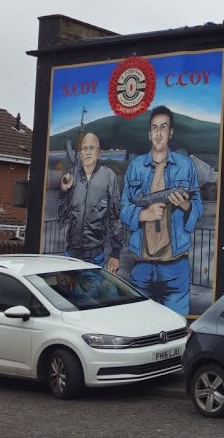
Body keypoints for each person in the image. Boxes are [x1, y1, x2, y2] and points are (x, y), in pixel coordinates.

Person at [119, 106, 202, 316]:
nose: (158, 133)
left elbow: (197, 209)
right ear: (149, 134)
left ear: (171, 132)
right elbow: (123, 208)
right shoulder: (135, 167)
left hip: (176, 264)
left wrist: (185, 205)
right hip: (142, 265)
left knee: (177, 326)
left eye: (163, 127)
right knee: (141, 326)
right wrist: (143, 215)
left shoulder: (186, 166)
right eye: (154, 128)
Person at [57, 132, 122, 273]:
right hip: (70, 256)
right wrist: (63, 191)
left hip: (94, 257)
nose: (87, 152)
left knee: (90, 295)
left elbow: (115, 216)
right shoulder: (71, 177)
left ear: (99, 153)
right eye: (84, 148)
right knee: (65, 295)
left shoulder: (108, 176)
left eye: (92, 148)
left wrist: (115, 253)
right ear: (80, 154)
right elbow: (61, 218)